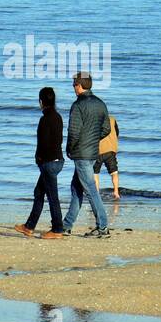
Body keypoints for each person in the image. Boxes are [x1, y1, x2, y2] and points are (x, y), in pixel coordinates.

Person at [61, 72, 111, 237]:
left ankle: (103, 226)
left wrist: (69, 148)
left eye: (74, 84)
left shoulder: (78, 105)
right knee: (76, 188)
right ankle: (66, 225)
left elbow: (73, 131)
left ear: (79, 85)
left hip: (81, 153)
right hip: (92, 152)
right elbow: (106, 129)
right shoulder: (100, 103)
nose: (73, 87)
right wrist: (92, 139)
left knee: (90, 189)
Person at [14, 87, 64, 239]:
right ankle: (29, 226)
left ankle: (57, 229)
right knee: (39, 192)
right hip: (58, 160)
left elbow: (43, 143)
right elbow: (58, 140)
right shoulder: (58, 117)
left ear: (41, 102)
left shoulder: (45, 119)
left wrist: (39, 158)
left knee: (52, 196)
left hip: (49, 162)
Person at [93, 114, 121, 199]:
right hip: (110, 149)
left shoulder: (94, 119)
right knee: (114, 172)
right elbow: (117, 132)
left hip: (97, 150)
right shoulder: (112, 119)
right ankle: (116, 192)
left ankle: (96, 194)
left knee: (95, 173)